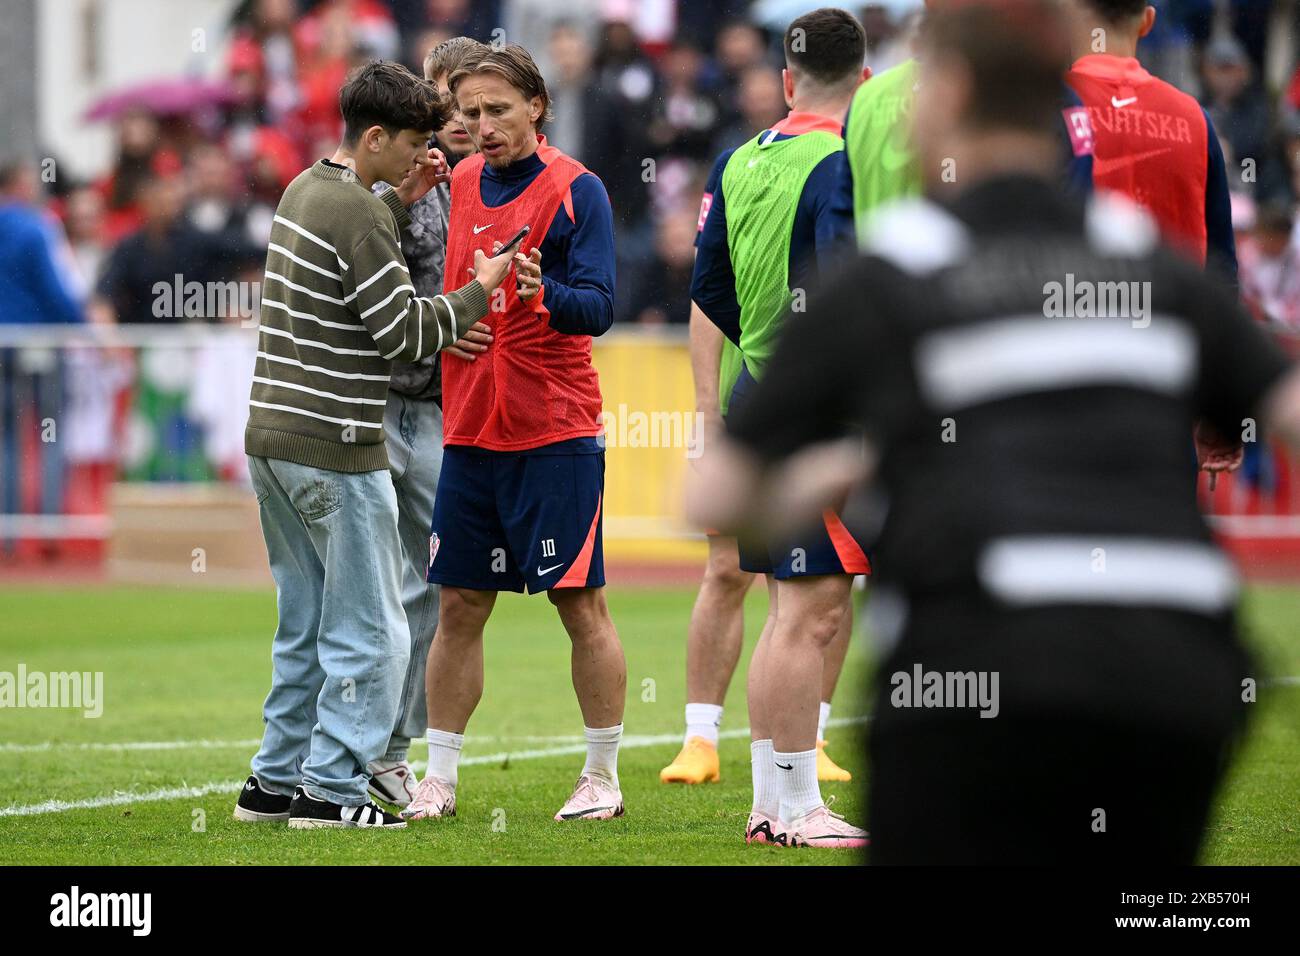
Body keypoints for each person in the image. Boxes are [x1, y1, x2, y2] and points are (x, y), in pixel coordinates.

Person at [688, 0, 1300, 864]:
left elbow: (712, 494)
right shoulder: (1149, 263)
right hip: (1177, 671)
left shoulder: (888, 276)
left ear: (952, 94)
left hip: (981, 658)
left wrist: (821, 477)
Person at [233, 60, 517, 830]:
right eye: (417, 143)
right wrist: (481, 288)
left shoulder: (306, 188)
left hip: (271, 436)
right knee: (375, 628)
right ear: (376, 136)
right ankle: (330, 791)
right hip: (336, 439)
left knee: (306, 620)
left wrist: (402, 197)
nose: (431, 156)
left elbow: (351, 247)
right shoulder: (358, 210)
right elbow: (403, 335)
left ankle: (271, 781)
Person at [402, 44, 627, 824]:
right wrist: (451, 327)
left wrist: (545, 293)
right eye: (470, 112)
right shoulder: (459, 180)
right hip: (469, 430)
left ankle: (601, 777)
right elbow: (456, 288)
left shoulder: (578, 190)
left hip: (554, 430)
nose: (482, 125)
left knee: (579, 604)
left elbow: (599, 306)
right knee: (459, 604)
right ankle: (440, 779)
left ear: (538, 106)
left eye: (498, 109)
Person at [679, 8, 870, 849]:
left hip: (758, 395)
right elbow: (841, 292)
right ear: (863, 84)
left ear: (787, 82)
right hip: (817, 413)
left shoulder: (739, 159)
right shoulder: (844, 162)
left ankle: (771, 802)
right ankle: (795, 808)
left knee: (787, 607)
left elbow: (708, 287)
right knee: (810, 613)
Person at [363, 35, 490, 811]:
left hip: (444, 408)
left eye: (471, 100)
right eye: (446, 96)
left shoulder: (492, 182)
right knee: (366, 587)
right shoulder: (393, 169)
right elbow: (362, 266)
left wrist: (478, 321)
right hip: (380, 400)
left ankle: (394, 750)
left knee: (432, 588)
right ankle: (343, 746)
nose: (457, 115)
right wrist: (452, 320)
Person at [1066, 0, 1236, 280]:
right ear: (1148, 21)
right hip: (1177, 317)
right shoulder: (1196, 118)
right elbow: (1223, 269)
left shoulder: (1050, 107)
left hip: (1075, 312)